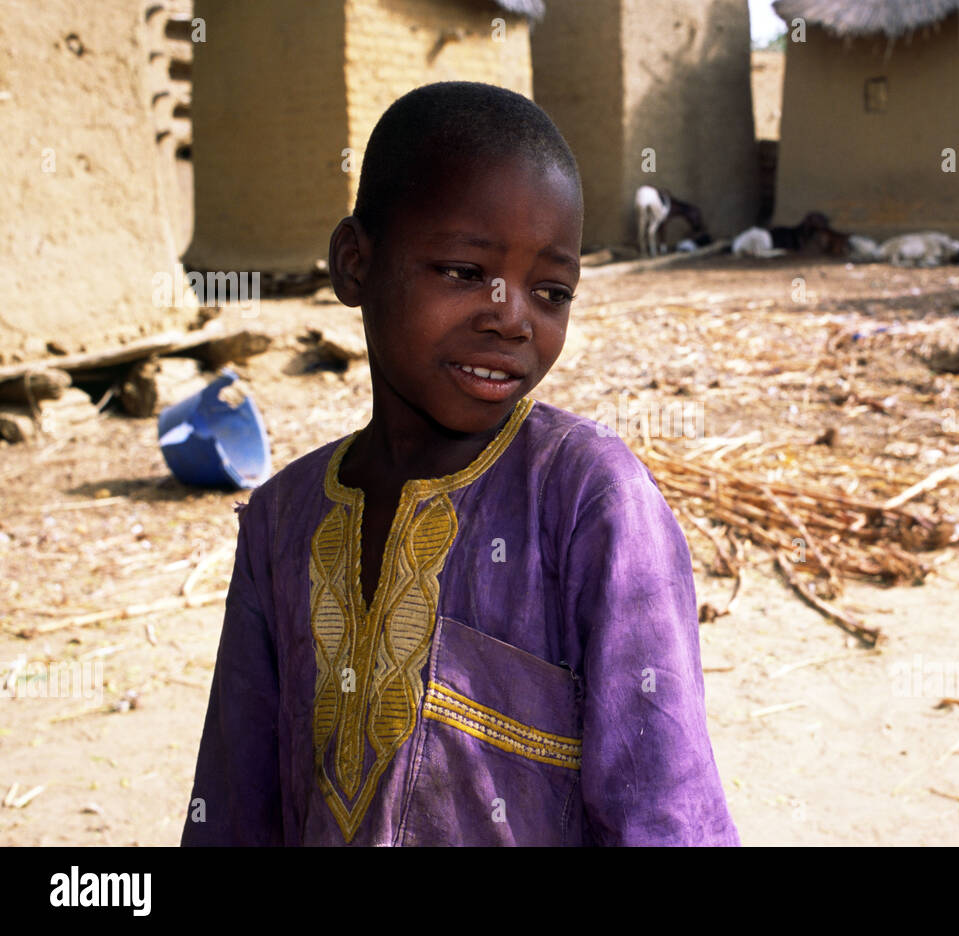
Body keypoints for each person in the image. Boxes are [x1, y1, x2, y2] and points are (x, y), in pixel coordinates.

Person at [180, 82, 739, 846]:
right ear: (354, 264)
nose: (511, 315)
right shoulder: (282, 521)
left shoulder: (590, 502)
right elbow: (233, 804)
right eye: (463, 271)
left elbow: (664, 814)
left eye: (551, 291)